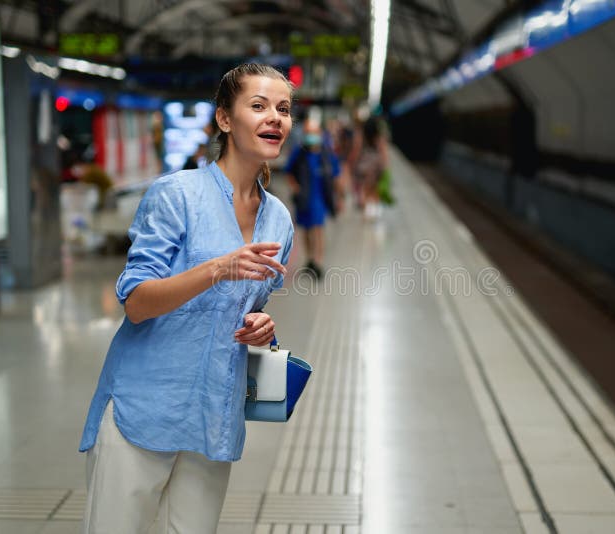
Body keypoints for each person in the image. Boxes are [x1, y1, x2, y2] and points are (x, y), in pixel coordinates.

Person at [78, 63, 295, 533]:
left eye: (283, 108)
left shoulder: (279, 220)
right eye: (258, 106)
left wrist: (261, 327)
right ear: (223, 119)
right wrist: (219, 268)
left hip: (214, 411)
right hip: (146, 405)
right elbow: (136, 301)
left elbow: (248, 307)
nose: (274, 117)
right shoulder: (176, 195)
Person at [285, 120, 340, 279]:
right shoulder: (299, 153)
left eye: (313, 132)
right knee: (307, 230)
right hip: (304, 199)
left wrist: (339, 196)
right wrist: (295, 187)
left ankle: (318, 261)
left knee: (317, 229)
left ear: (320, 134)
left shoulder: (326, 154)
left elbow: (335, 175)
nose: (310, 136)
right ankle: (310, 259)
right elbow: (289, 171)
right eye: (308, 132)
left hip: (320, 199)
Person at [348, 115, 389, 219]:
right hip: (376, 168)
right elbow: (384, 153)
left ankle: (366, 212)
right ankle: (374, 210)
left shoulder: (360, 136)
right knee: (374, 190)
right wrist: (385, 167)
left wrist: (351, 165)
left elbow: (355, 152)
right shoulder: (379, 137)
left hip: (363, 168)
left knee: (364, 190)